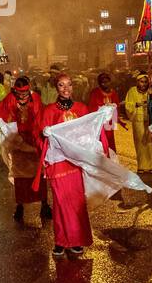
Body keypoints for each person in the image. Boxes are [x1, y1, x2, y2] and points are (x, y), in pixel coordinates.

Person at [35, 72, 109, 258]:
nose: (66, 89)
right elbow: (40, 137)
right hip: (58, 163)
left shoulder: (82, 109)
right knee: (60, 203)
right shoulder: (50, 110)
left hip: (75, 163)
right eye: (61, 85)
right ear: (56, 88)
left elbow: (91, 132)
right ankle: (61, 241)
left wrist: (103, 116)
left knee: (76, 203)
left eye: (69, 85)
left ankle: (76, 240)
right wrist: (44, 135)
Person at [0, 75, 47, 221]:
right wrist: (15, 139)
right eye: (20, 94)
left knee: (40, 174)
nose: (22, 97)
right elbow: (3, 118)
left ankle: (45, 205)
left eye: (25, 94)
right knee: (20, 178)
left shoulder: (35, 98)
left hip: (34, 141)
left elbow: (40, 118)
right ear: (15, 92)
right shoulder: (9, 99)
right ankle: (20, 207)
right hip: (17, 142)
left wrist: (38, 139)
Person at [124, 71, 152, 173]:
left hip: (149, 119)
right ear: (137, 82)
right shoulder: (132, 91)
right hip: (138, 121)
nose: (143, 84)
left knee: (151, 143)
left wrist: (151, 100)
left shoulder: (151, 91)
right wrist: (136, 104)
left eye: (145, 82)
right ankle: (142, 166)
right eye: (141, 81)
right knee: (140, 143)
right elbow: (128, 104)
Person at [87, 72, 120, 153]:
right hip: (99, 121)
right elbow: (92, 106)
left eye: (107, 82)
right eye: (103, 82)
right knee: (101, 138)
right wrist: (103, 108)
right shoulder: (95, 92)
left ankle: (110, 155)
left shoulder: (113, 93)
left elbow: (117, 106)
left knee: (110, 139)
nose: (105, 84)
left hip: (110, 122)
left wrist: (112, 109)